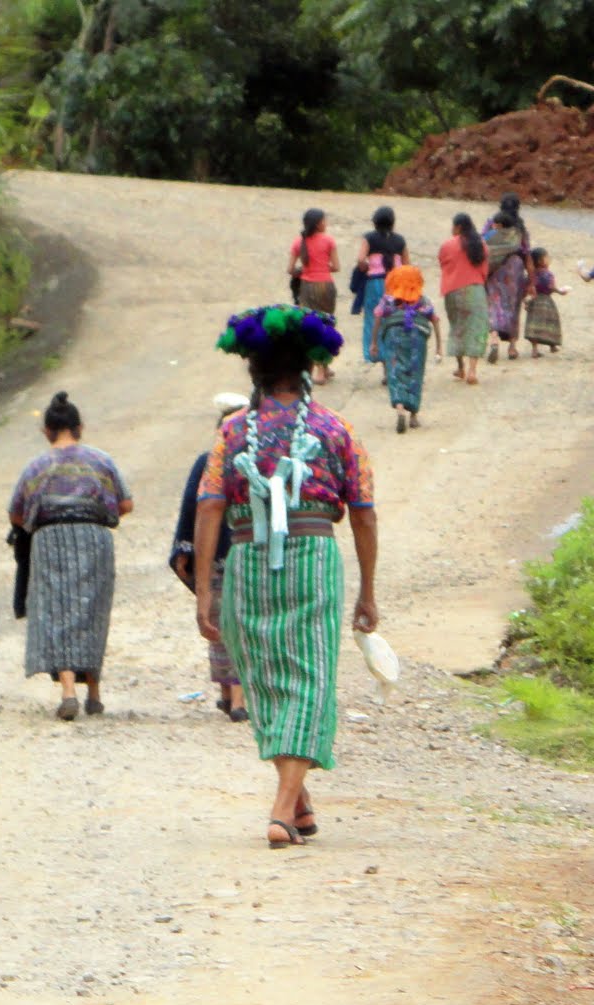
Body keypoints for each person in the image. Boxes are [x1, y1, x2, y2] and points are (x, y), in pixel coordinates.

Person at [195, 304, 379, 849]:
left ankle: (295, 803)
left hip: (249, 563)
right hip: (314, 561)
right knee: (310, 678)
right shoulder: (336, 429)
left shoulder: (231, 433)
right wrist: (367, 590)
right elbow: (364, 511)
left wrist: (206, 589)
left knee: (266, 680)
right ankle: (283, 808)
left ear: (252, 370)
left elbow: (209, 508)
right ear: (305, 370)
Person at [7, 392, 134, 721]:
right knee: (91, 611)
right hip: (93, 538)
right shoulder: (100, 461)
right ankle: (93, 692)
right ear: (80, 428)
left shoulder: (35, 467)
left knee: (57, 611)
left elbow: (16, 513)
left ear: (47, 430)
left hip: (50, 540)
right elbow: (125, 505)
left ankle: (67, 691)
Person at [170, 393, 250, 723]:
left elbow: (194, 508)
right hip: (252, 557)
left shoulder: (207, 462)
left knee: (219, 625)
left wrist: (183, 552)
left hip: (216, 560)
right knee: (246, 624)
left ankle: (230, 695)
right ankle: (239, 698)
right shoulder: (261, 461)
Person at [369, 264, 442, 434]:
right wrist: (439, 346)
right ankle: (414, 416)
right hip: (418, 338)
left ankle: (400, 408)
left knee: (395, 370)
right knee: (416, 372)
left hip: (393, 336)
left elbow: (378, 318)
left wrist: (374, 342)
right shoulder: (423, 301)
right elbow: (435, 320)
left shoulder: (389, 300)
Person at [288, 208, 340, 384]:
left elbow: (290, 269)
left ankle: (320, 367)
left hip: (307, 287)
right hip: (326, 286)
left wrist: (304, 270)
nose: (326, 223)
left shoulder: (298, 243)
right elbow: (336, 266)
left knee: (311, 325)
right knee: (326, 324)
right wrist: (323, 268)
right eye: (324, 221)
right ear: (318, 224)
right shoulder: (328, 241)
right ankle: (323, 366)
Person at [438, 213, 490, 384]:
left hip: (454, 290)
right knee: (476, 329)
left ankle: (460, 368)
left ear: (458, 227)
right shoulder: (481, 245)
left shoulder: (448, 245)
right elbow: (485, 270)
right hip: (476, 290)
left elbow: (443, 263)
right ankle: (472, 371)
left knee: (457, 326)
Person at [356, 206, 408, 372]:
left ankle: (381, 358)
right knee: (395, 321)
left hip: (375, 284)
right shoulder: (400, 240)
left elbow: (360, 260)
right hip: (397, 285)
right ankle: (392, 363)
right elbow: (407, 266)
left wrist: (366, 267)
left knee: (375, 319)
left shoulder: (369, 238)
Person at [482, 206, 535, 362]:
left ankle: (493, 338)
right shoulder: (519, 233)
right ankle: (512, 347)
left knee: (494, 306)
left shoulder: (490, 232)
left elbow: (481, 248)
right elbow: (528, 257)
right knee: (513, 308)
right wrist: (532, 282)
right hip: (515, 271)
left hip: (494, 273)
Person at [523, 247, 569, 357]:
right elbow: (551, 286)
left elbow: (526, 288)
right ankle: (552, 345)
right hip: (546, 302)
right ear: (540, 261)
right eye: (547, 258)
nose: (549, 260)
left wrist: (525, 301)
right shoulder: (548, 274)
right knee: (551, 323)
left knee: (535, 325)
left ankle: (534, 349)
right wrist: (560, 291)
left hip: (534, 301)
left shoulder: (531, 275)